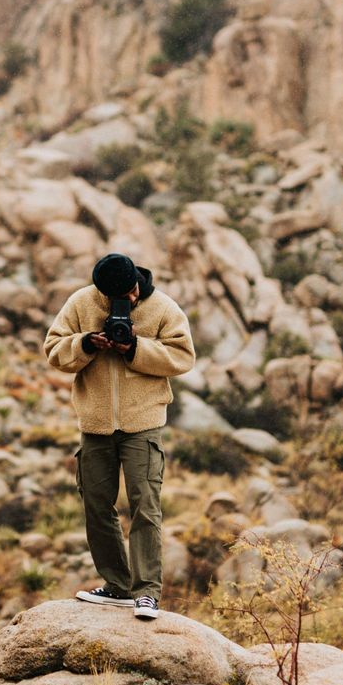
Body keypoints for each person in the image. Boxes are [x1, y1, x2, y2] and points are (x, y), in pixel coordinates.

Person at [43, 252, 196, 619]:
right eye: (112, 297)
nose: (121, 303)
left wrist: (135, 348)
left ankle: (146, 594)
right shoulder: (80, 302)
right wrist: (85, 344)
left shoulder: (161, 307)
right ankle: (118, 585)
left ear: (136, 284)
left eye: (127, 295)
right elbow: (53, 350)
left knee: (145, 503)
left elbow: (183, 356)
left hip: (142, 423)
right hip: (94, 424)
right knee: (96, 504)